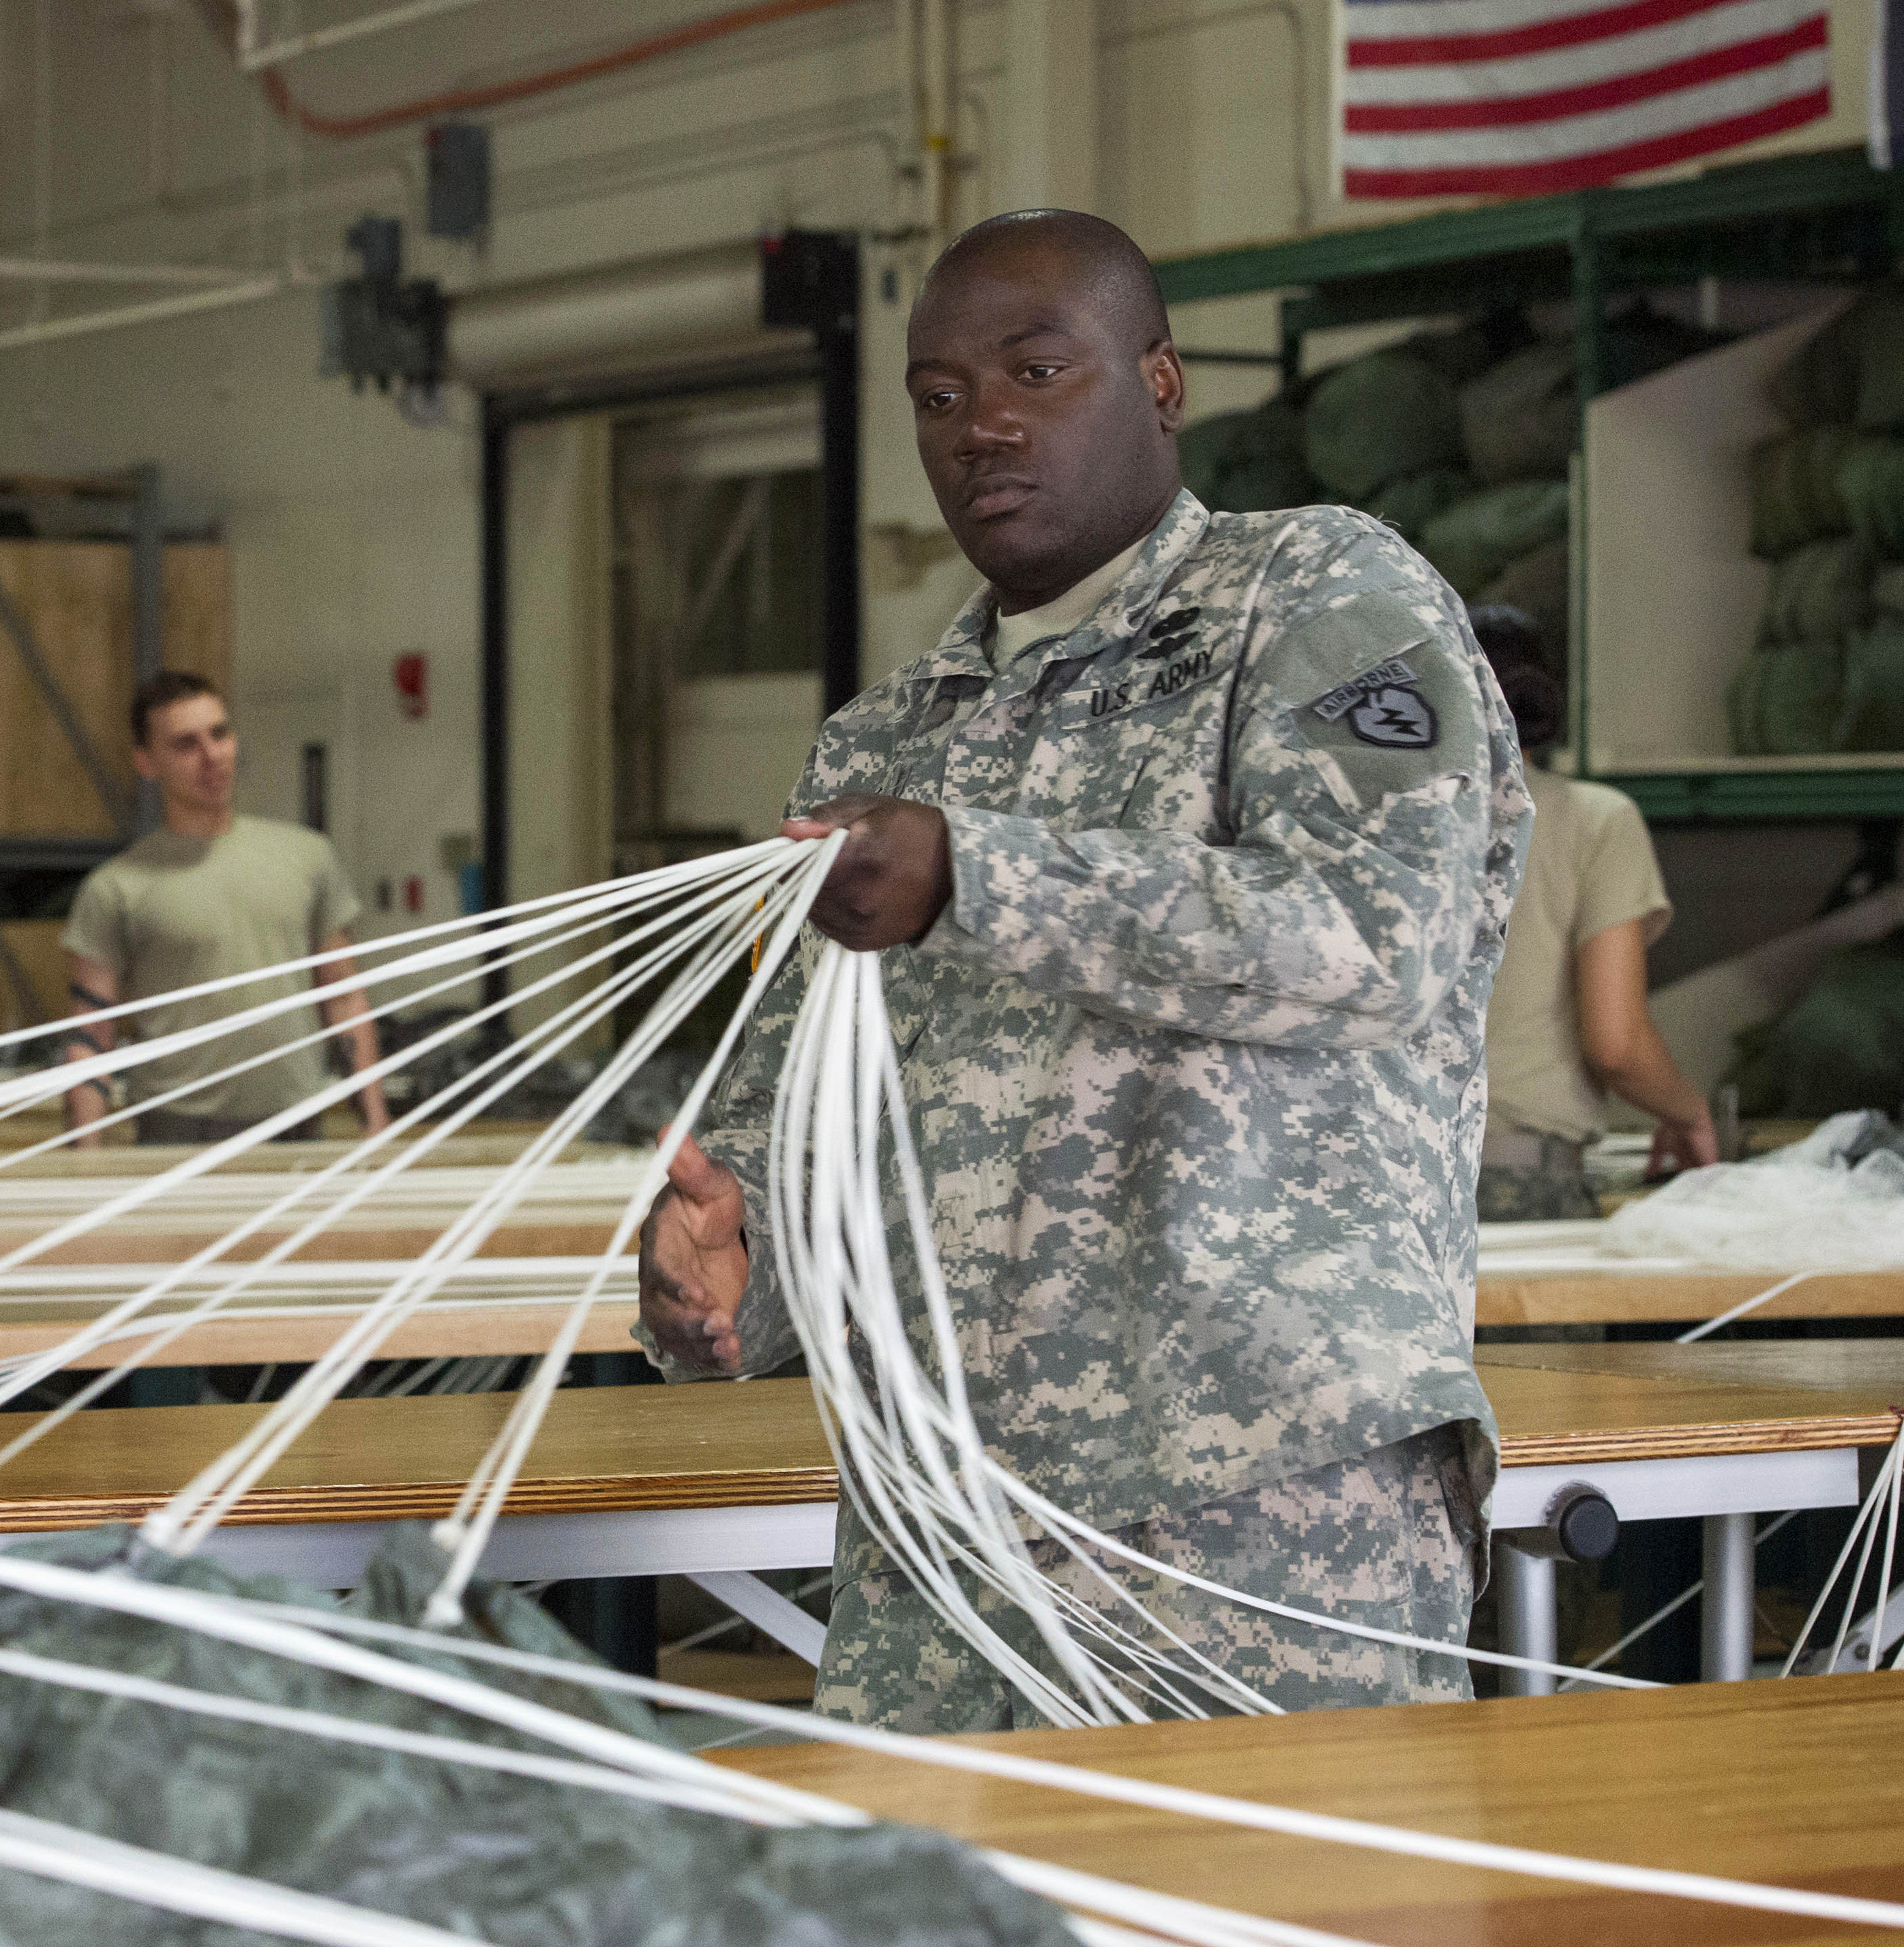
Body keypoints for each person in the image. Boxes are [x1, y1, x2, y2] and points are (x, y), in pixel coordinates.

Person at [637, 209, 1526, 1732]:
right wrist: (730, 1271)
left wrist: (970, 873)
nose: (980, 422)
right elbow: (804, 1121)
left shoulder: (1309, 596)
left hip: (1256, 1519)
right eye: (935, 394)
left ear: (1161, 381)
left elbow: (1377, 935)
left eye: (1034, 370)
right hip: (940, 1532)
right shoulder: (883, 740)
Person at [61, 672, 389, 1147]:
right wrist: (85, 1152)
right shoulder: (117, 887)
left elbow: (343, 997)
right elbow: (91, 1032)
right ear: (146, 763)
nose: (211, 755)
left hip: (295, 1122)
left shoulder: (306, 857)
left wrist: (375, 1121)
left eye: (219, 734)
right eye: (185, 744)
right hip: (176, 1130)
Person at [1467, 607, 1716, 1218]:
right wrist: (1688, 1112)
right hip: (1514, 1185)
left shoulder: (1375, 822)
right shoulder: (1593, 820)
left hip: (1376, 1181)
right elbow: (1616, 1045)